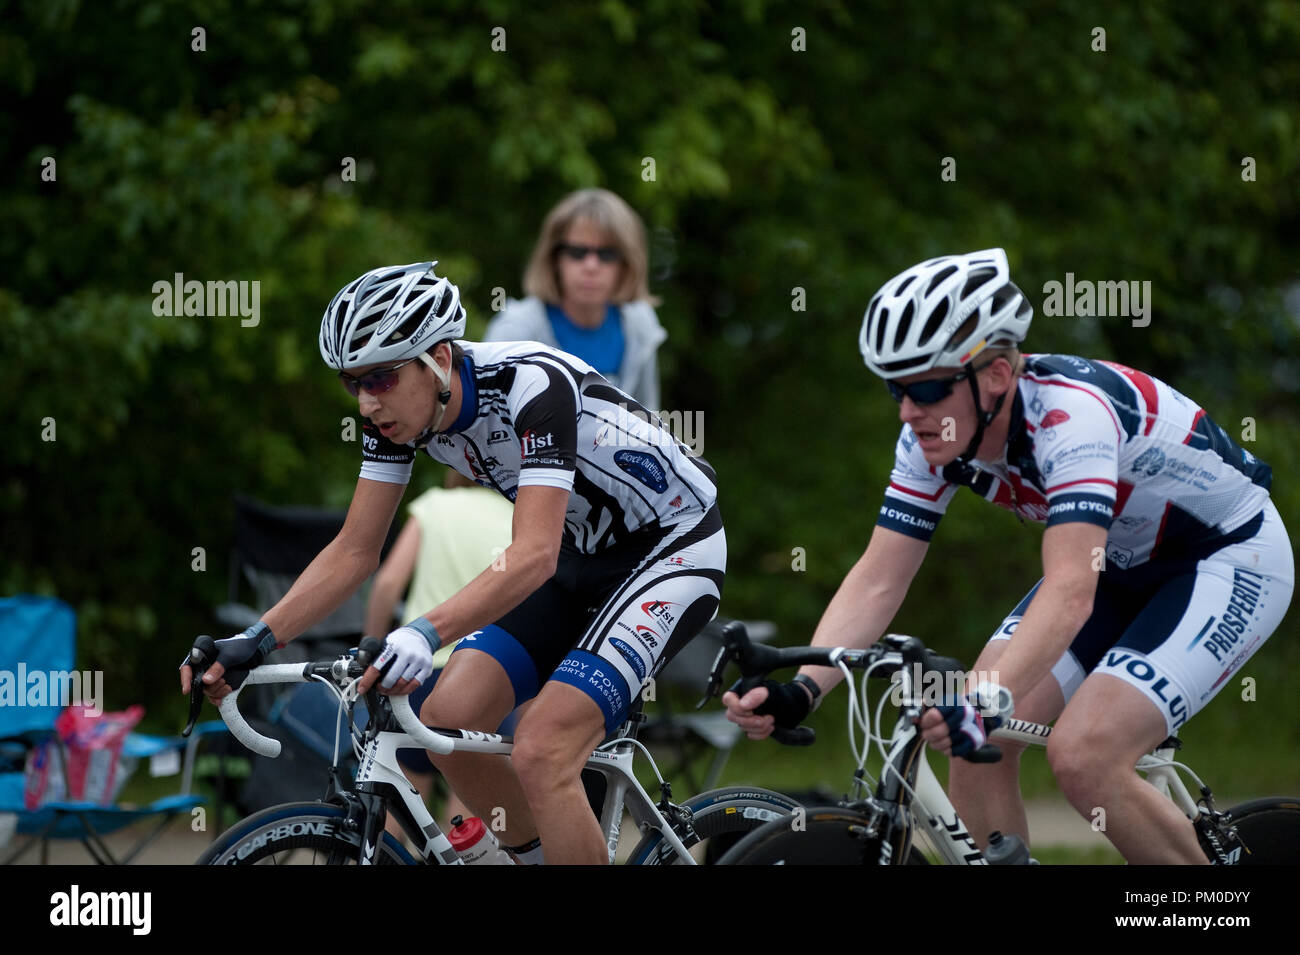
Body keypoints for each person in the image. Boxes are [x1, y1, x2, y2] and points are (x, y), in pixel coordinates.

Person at [724, 248, 1293, 864]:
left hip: (1226, 557)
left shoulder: (1070, 415)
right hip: (1117, 567)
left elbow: (1072, 587)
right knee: (976, 748)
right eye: (897, 388)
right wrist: (805, 688)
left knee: (1084, 756)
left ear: (995, 374)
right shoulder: (933, 434)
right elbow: (879, 579)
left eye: (928, 387)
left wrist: (979, 700)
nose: (908, 410)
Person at [181, 261, 725, 865]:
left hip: (669, 547)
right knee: (445, 718)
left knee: (542, 748)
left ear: (437, 358)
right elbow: (356, 551)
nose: (365, 403)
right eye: (351, 383)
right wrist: (256, 639)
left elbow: (534, 554)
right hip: (582, 556)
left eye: (381, 379)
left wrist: (423, 631)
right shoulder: (399, 419)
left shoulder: (532, 387)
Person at [364, 468, 514, 833]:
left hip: (417, 674)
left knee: (400, 811)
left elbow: (387, 584)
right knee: (468, 816)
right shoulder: (518, 521)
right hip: (487, 677)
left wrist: (370, 650)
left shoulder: (435, 506)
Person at [485, 188, 666, 410]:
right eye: (577, 252)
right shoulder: (515, 332)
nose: (591, 266)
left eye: (606, 254)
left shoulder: (640, 325)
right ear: (554, 259)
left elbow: (647, 421)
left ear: (626, 264)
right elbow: (490, 429)